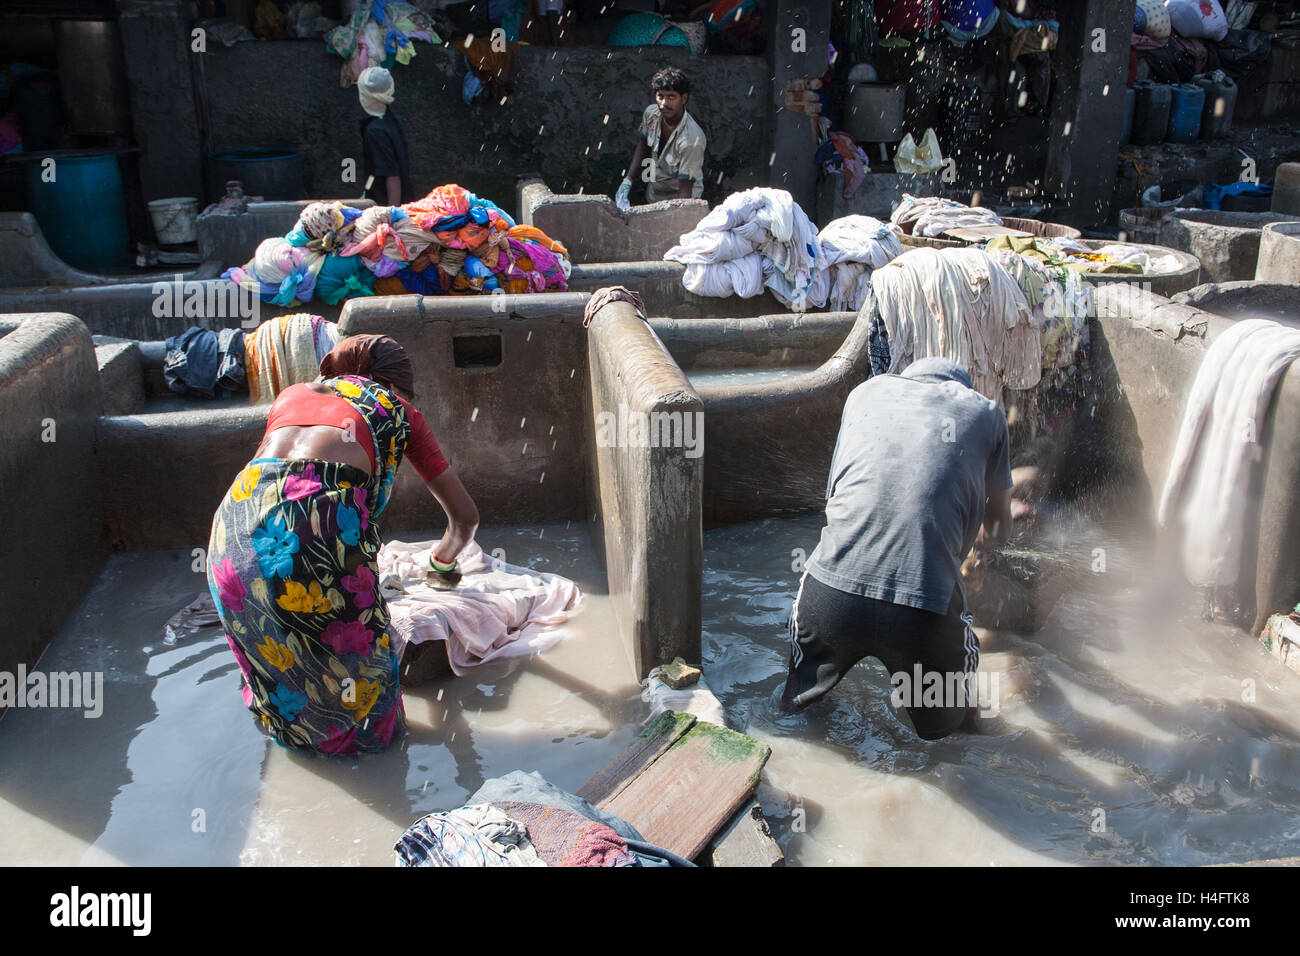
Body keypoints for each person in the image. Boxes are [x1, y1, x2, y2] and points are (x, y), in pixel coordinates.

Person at [207, 334, 479, 755]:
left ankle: (304, 764)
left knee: (278, 666)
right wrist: (441, 562)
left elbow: (276, 482)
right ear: (394, 384)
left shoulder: (291, 395)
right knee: (367, 688)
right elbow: (465, 518)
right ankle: (382, 774)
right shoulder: (398, 410)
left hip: (230, 534)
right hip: (314, 533)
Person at [781, 358, 1013, 740]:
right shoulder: (986, 413)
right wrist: (980, 556)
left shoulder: (863, 394)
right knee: (959, 735)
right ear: (962, 387)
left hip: (830, 596)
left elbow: (834, 500)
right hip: (925, 612)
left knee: (795, 712)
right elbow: (1000, 526)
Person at [616, 67, 707, 209]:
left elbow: (685, 189)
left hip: (681, 198)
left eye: (671, 97)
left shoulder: (691, 140)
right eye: (660, 96)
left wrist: (678, 217)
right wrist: (629, 179)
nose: (664, 103)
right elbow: (644, 145)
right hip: (654, 194)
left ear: (683, 99)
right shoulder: (651, 114)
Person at [358, 66, 414, 206]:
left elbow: (392, 176)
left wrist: (391, 214)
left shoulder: (375, 132)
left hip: (383, 205)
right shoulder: (390, 120)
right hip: (400, 199)